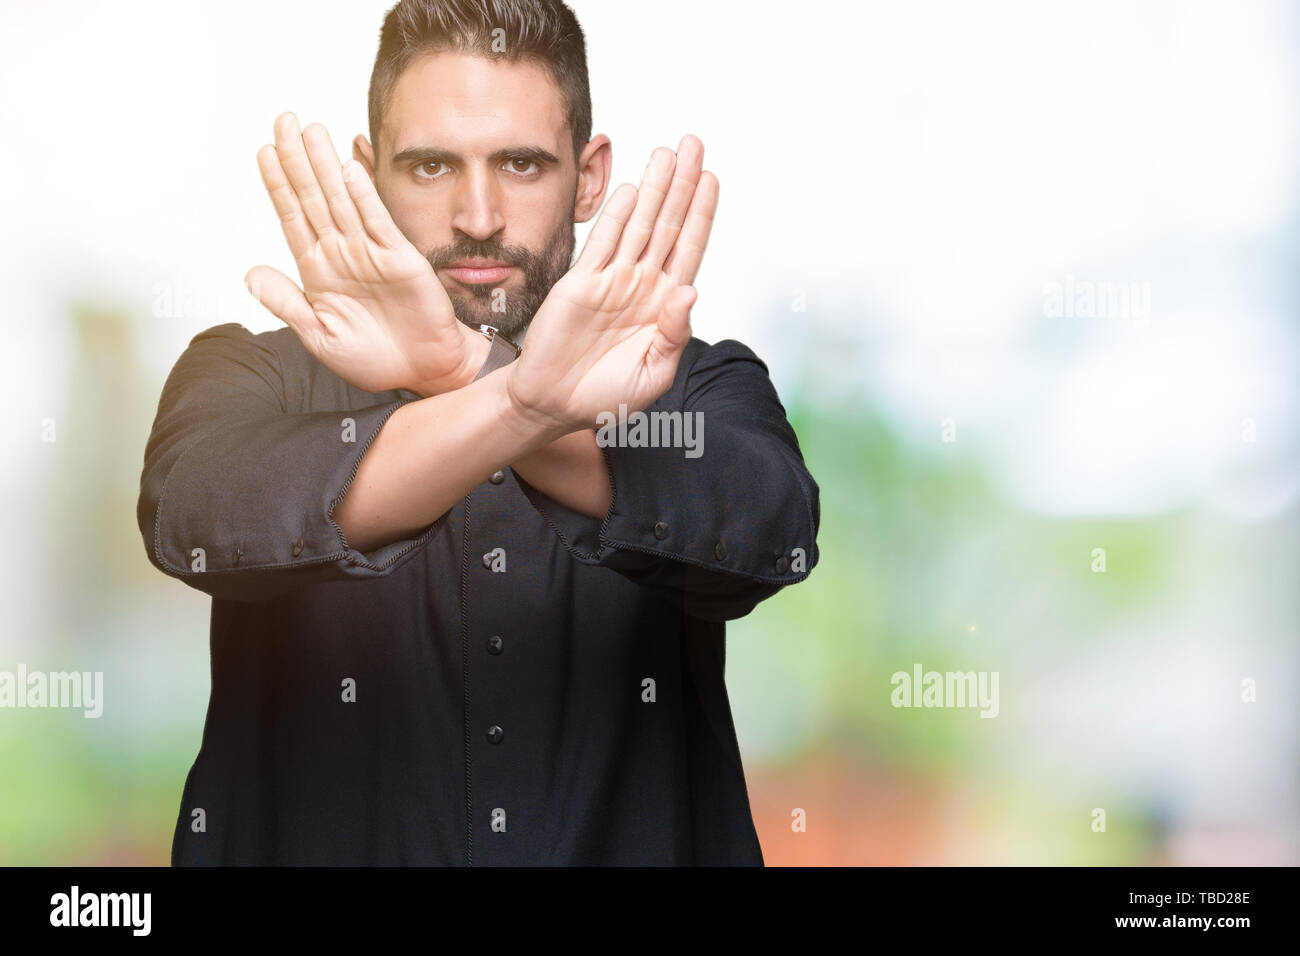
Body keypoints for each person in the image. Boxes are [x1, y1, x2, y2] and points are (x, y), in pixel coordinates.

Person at [137, 0, 820, 865]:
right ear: (368, 173)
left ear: (591, 175)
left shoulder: (701, 382)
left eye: (523, 163)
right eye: (429, 166)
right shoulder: (246, 373)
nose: (479, 216)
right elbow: (196, 512)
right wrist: (514, 401)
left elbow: (771, 526)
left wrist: (461, 373)